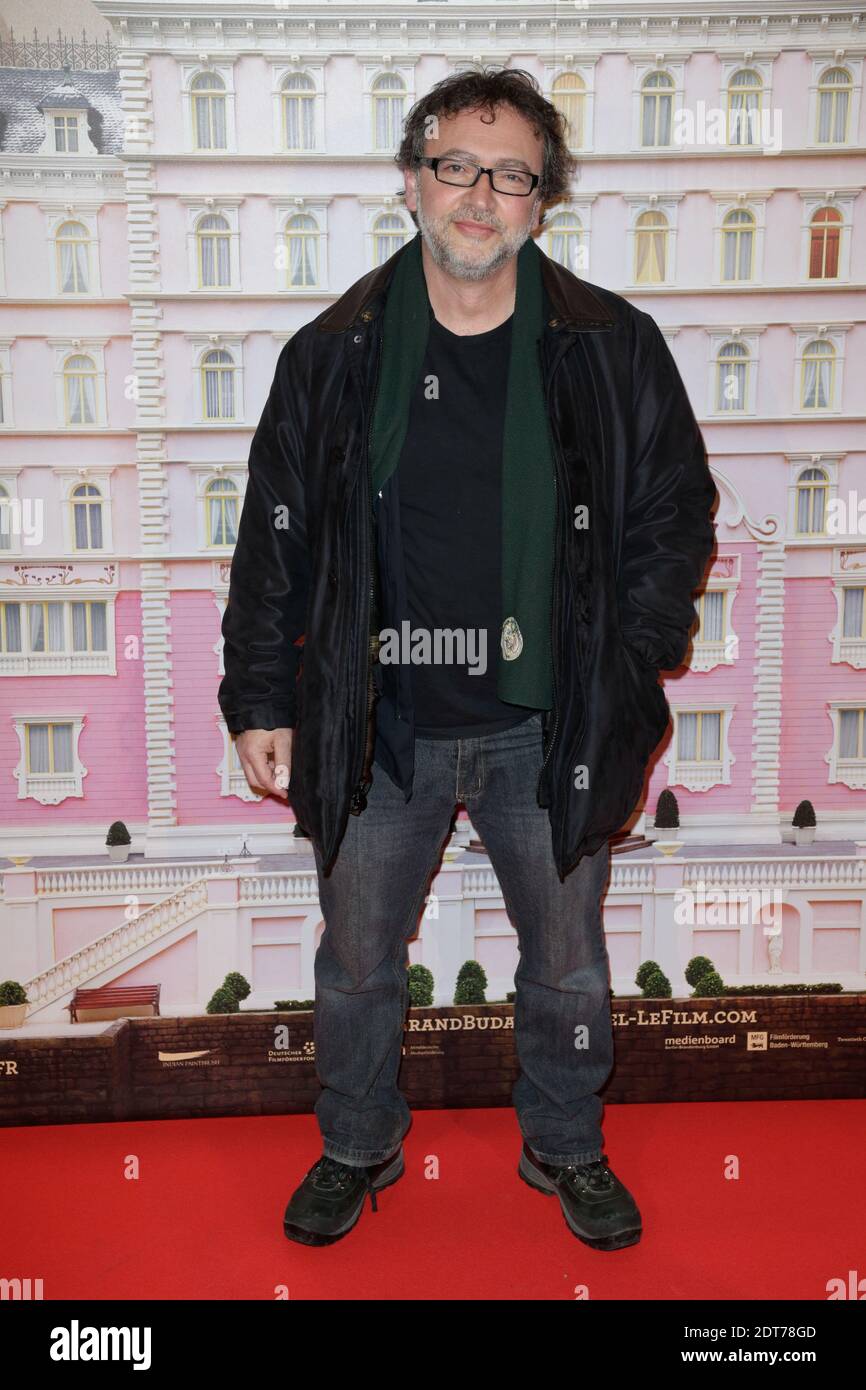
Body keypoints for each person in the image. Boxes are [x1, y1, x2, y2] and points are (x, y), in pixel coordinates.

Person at [218, 67, 717, 1251]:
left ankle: (562, 1145)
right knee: (353, 966)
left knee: (565, 969)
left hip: (546, 729)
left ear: (541, 201)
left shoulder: (610, 344)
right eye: (456, 165)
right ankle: (356, 1142)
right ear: (411, 181)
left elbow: (672, 515)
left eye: (511, 173)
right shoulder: (329, 353)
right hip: (371, 723)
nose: (480, 194)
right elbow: (273, 536)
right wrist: (257, 696)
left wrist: (626, 663)